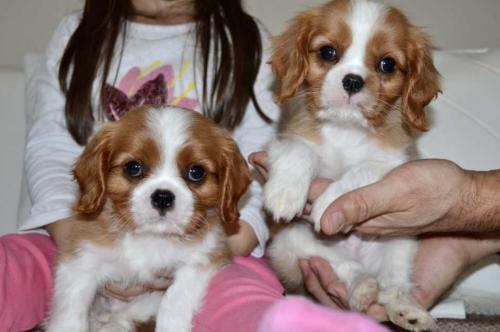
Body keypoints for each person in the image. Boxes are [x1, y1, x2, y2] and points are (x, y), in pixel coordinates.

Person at [1, 1, 287, 330]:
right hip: (77, 230)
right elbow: (51, 148)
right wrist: (71, 238)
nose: (162, 192)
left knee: (243, 290)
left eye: (195, 173)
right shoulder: (78, 31)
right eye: (134, 169)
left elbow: (262, 161)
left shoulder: (247, 40)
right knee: (14, 264)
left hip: (207, 242)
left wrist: (221, 250)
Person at [250, 153, 500, 320]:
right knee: (290, 241)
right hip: (327, 253)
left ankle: (394, 288)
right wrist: (464, 240)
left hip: (376, 241)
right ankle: (364, 280)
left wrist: (465, 201)